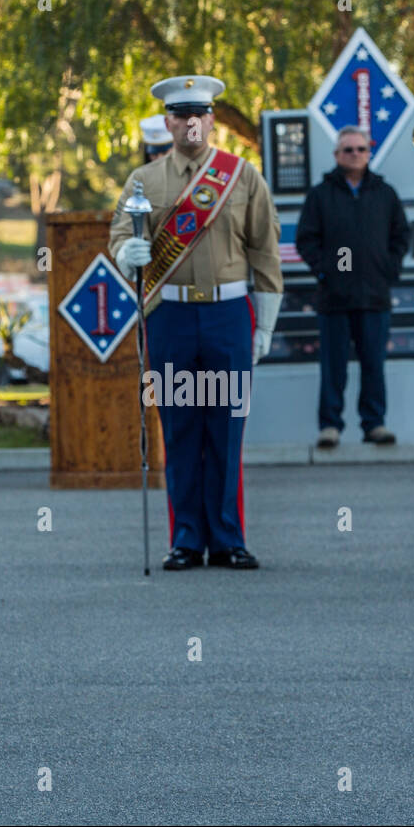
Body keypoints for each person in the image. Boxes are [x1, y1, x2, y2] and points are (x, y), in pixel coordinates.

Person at [109, 75, 283, 570]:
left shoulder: (242, 176)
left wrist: (265, 324)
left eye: (199, 115)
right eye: (180, 115)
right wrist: (127, 252)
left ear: (211, 120)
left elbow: (265, 252)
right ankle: (186, 536)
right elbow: (118, 234)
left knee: (227, 428)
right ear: (167, 122)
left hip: (229, 313)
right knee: (181, 427)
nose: (190, 123)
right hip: (172, 315)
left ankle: (227, 537)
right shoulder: (144, 180)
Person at [295, 124, 409, 448]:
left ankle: (374, 424)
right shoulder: (321, 194)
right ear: (337, 155)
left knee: (374, 364)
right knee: (333, 367)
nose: (355, 154)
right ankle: (330, 426)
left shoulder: (384, 193)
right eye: (348, 150)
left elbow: (401, 235)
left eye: (361, 149)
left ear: (369, 153)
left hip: (375, 296)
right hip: (334, 298)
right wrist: (325, 273)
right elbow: (306, 239)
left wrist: (388, 269)